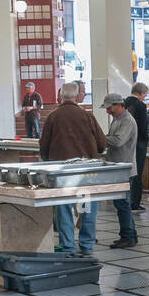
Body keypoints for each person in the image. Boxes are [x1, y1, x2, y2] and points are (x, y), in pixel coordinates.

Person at [40, 82, 107, 256]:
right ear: (77, 97)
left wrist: (51, 161)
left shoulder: (53, 117)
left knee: (64, 209)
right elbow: (102, 144)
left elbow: (43, 147)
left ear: (61, 96)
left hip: (63, 174)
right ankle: (86, 245)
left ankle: (68, 246)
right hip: (86, 173)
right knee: (86, 208)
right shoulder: (87, 116)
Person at [101, 93, 140, 248]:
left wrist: (100, 138)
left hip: (124, 169)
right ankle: (131, 235)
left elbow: (117, 141)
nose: (107, 111)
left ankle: (128, 236)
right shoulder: (117, 120)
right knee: (121, 204)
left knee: (123, 204)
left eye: (109, 108)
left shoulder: (127, 121)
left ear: (119, 105)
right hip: (117, 168)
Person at [124, 81, 149, 211]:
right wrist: (146, 139)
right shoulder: (140, 106)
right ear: (140, 94)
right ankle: (134, 202)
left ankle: (125, 200)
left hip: (126, 143)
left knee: (127, 172)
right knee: (137, 172)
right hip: (139, 143)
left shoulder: (123, 104)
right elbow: (144, 127)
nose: (145, 97)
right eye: (145, 94)